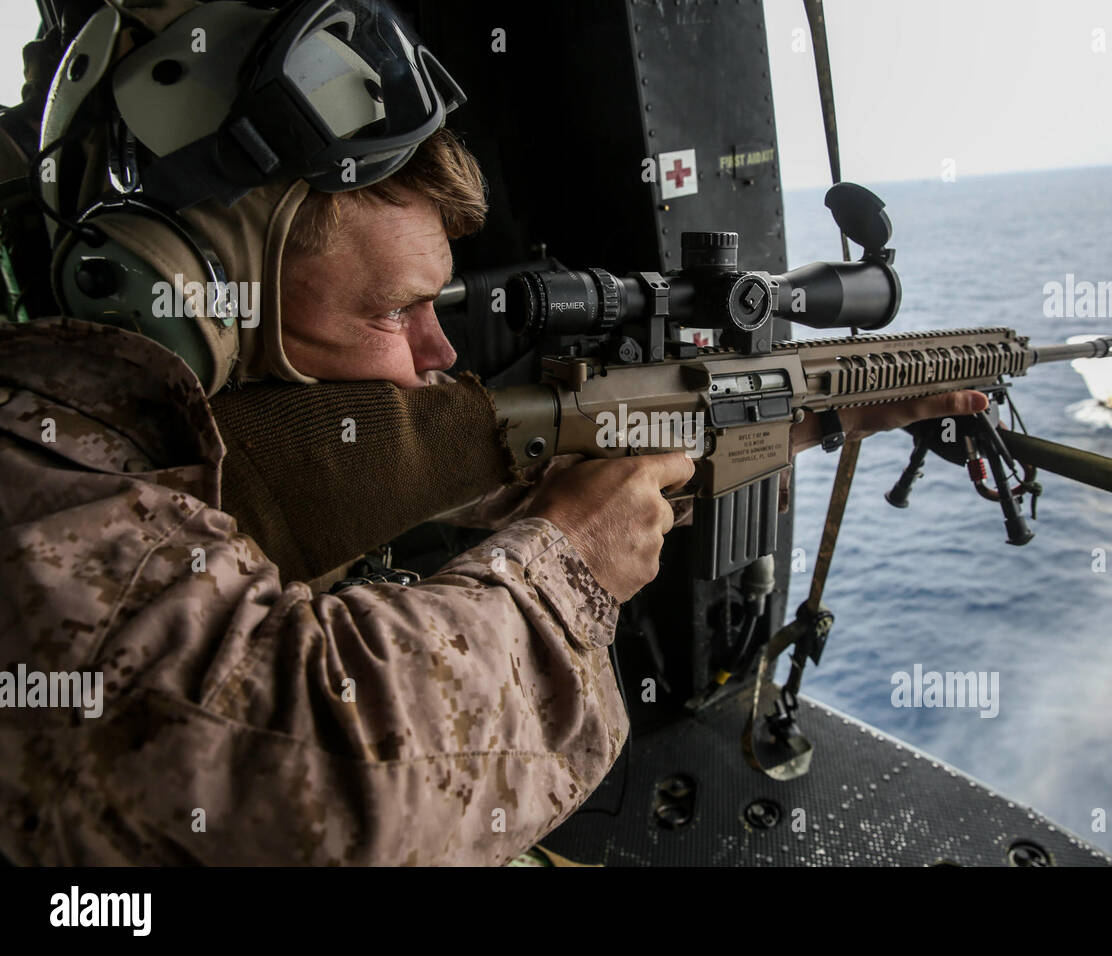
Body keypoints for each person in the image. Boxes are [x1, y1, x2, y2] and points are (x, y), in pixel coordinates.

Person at [0, 0, 985, 867]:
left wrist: (822, 411)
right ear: (184, 298)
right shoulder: (39, 491)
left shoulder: (140, 430)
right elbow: (334, 795)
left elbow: (534, 462)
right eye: (392, 311)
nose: (437, 353)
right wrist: (572, 562)